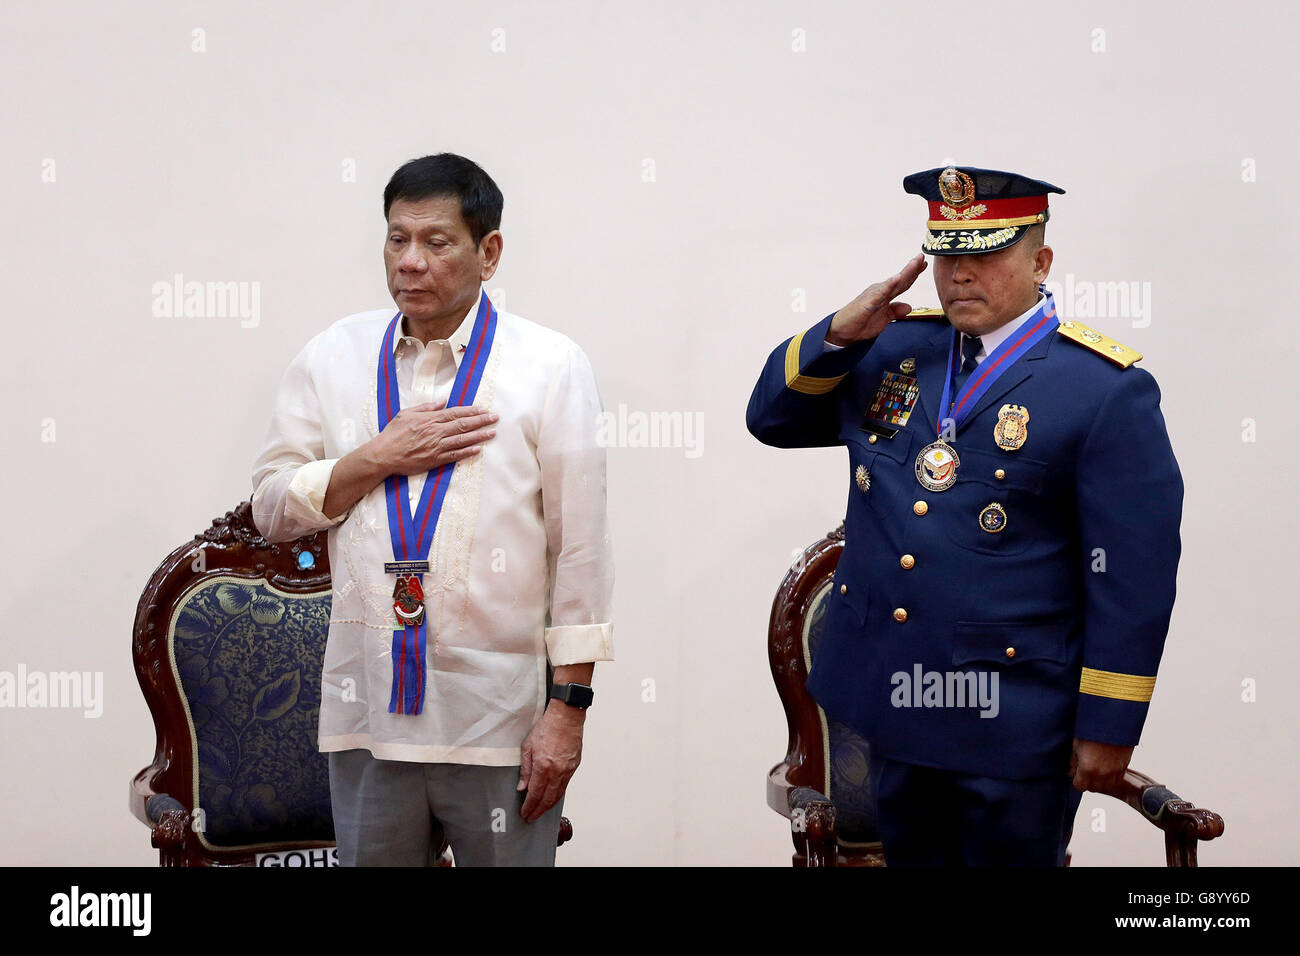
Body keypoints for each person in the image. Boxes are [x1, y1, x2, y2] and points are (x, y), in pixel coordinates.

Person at [746, 166, 1183, 866]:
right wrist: (838, 332)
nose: (960, 275)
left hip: (1014, 723)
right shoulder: (895, 350)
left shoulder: (1101, 390)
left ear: (1039, 261)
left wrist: (1110, 722)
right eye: (948, 254)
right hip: (893, 708)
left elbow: (1134, 576)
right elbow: (770, 418)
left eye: (986, 254)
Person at [250, 153, 613, 866]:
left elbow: (582, 554)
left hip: (499, 721)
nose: (410, 262)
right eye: (396, 239)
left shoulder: (548, 365)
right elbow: (270, 509)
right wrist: (374, 458)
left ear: (490, 252)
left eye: (436, 242)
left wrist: (567, 714)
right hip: (367, 719)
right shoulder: (334, 356)